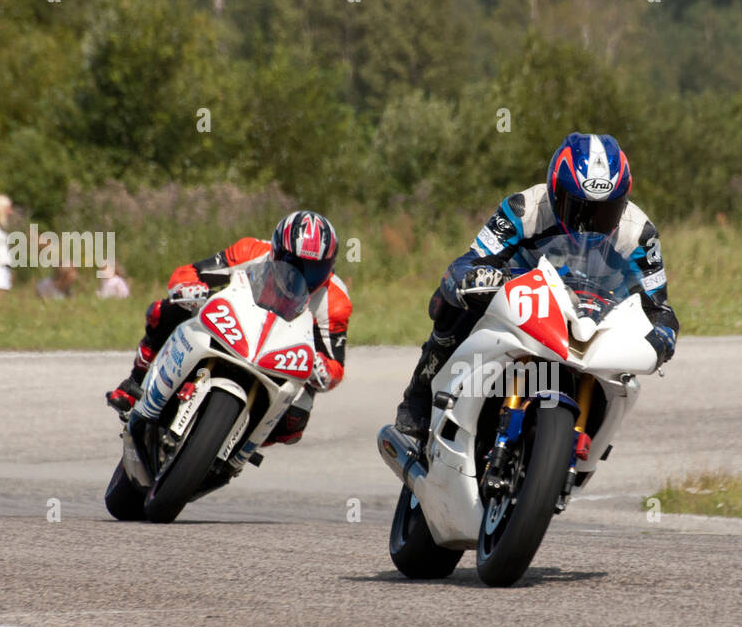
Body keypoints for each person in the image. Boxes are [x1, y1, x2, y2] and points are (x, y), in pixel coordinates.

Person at [392, 132, 679, 438]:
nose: (590, 224)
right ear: (555, 193)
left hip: (594, 315)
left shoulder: (640, 234)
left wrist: (663, 335)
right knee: (452, 304)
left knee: (627, 374)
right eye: (578, 209)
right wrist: (476, 278)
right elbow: (469, 262)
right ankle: (418, 399)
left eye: (606, 211)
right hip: (523, 299)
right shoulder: (524, 208)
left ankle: (589, 436)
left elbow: (658, 305)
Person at [106, 210, 350, 447]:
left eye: (315, 268)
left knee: (294, 422)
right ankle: (133, 383)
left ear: (330, 265)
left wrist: (322, 368)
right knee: (167, 309)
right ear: (276, 250)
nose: (301, 275)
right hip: (235, 325)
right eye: (293, 263)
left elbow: (335, 366)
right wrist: (190, 288)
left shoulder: (336, 300)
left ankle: (240, 444)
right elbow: (188, 273)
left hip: (280, 352)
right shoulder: (251, 251)